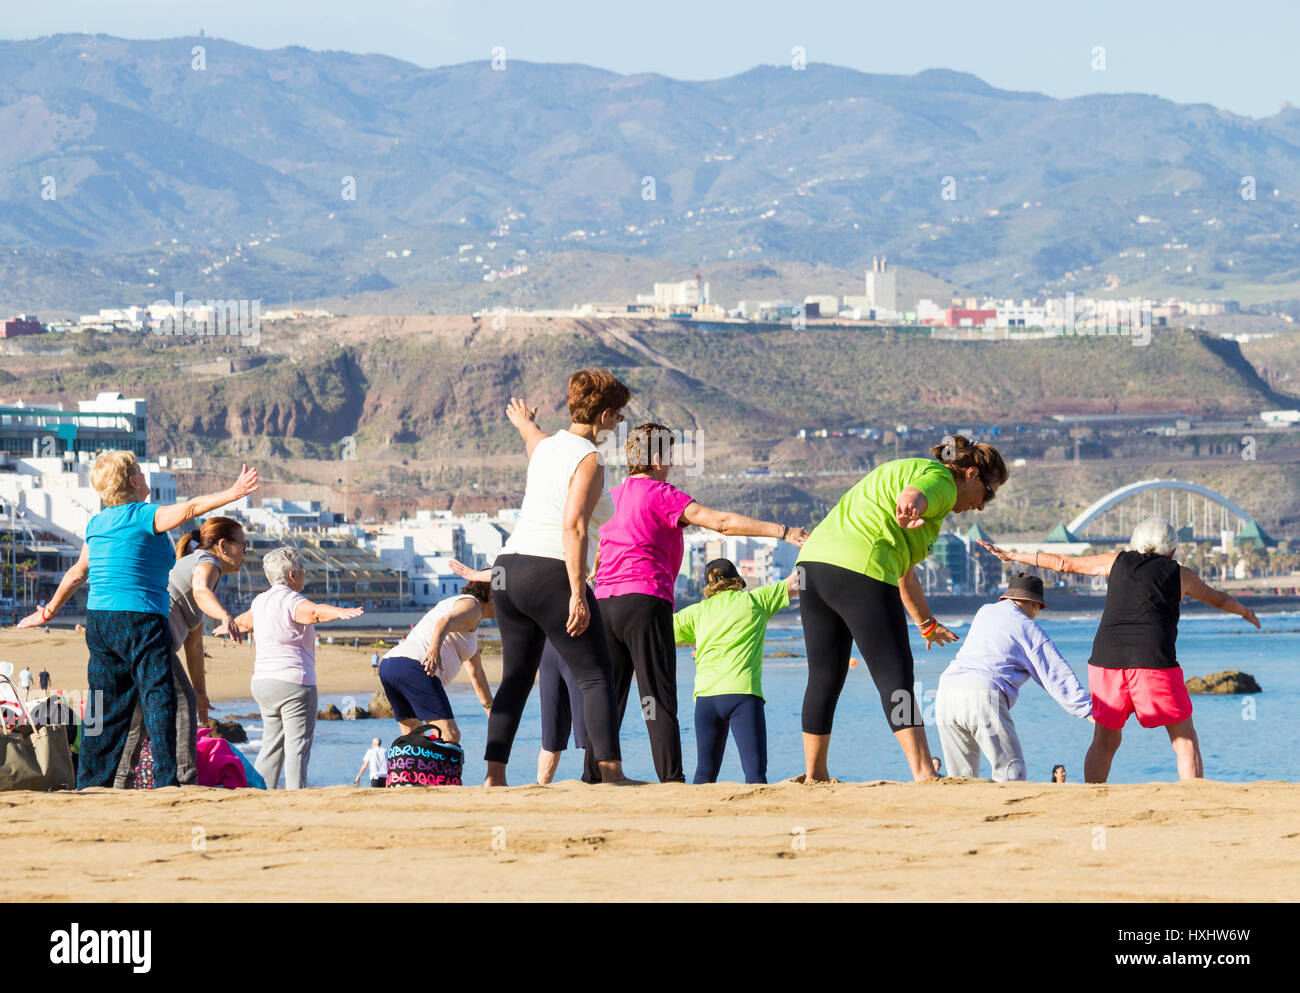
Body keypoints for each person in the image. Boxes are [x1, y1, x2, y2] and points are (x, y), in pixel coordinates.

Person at [495, 413, 809, 784]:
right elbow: (721, 523)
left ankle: (594, 778)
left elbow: (590, 542)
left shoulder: (608, 496)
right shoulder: (665, 496)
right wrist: (782, 531)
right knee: (657, 699)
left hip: (605, 603)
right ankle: (671, 780)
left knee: (606, 694)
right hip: (644, 601)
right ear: (658, 459)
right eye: (670, 454)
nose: (673, 462)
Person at [17, 452, 258, 788]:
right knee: (159, 696)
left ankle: (91, 781)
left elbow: (76, 574)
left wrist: (47, 612)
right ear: (132, 481)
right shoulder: (145, 515)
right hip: (141, 618)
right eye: (142, 474)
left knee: (105, 704)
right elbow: (191, 509)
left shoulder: (97, 524)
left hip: (100, 623)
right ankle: (166, 780)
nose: (146, 479)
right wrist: (232, 493)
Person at [979, 517, 1261, 782]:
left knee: (1106, 740)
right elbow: (1219, 599)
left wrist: (1014, 556)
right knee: (1184, 740)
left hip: (1105, 662)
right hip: (1154, 661)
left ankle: (1093, 798)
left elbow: (1063, 563)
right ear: (1173, 549)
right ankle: (1193, 800)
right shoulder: (1180, 575)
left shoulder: (1115, 562)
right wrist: (1244, 611)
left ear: (1136, 542)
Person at [796, 435, 1007, 782]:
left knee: (824, 675)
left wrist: (926, 623)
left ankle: (815, 775)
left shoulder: (903, 469)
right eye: (988, 492)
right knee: (896, 678)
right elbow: (918, 493)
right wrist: (912, 504)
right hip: (860, 568)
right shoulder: (940, 479)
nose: (983, 505)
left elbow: (905, 575)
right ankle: (925, 772)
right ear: (969, 474)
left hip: (813, 568)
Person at [481, 371, 633, 786]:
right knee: (596, 674)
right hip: (550, 569)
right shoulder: (589, 459)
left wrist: (524, 423)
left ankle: (494, 776)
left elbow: (533, 437)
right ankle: (611, 774)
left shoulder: (547, 446)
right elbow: (575, 527)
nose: (619, 422)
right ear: (602, 415)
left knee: (515, 678)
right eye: (618, 415)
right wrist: (577, 593)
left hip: (507, 570)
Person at [115, 516, 250, 788]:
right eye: (243, 545)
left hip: (140, 637)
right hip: (151, 638)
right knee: (181, 704)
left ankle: (121, 782)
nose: (246, 552)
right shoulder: (207, 562)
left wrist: (201, 692)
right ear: (223, 546)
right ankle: (187, 780)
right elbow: (200, 591)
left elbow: (195, 645)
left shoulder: (196, 567)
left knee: (141, 715)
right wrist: (225, 616)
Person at [222, 547, 363, 789]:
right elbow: (315, 613)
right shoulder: (292, 600)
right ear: (292, 575)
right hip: (294, 683)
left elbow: (244, 621)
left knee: (272, 744)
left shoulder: (260, 601)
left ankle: (256, 792)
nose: (304, 575)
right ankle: (296, 795)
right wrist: (340, 612)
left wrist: (228, 626)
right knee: (297, 745)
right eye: (302, 571)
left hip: (263, 683)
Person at [934, 573, 1092, 781]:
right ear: (1035, 604)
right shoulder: (1026, 626)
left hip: (946, 691)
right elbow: (1054, 672)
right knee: (1011, 773)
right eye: (1038, 609)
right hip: (982, 694)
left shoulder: (984, 612)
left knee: (961, 779)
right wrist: (1087, 710)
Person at [672, 559, 800, 784]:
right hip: (742, 695)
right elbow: (798, 582)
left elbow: (659, 627)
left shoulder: (697, 612)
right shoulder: (754, 600)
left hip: (705, 699)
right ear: (737, 580)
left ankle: (695, 817)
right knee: (755, 775)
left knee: (704, 773)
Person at [378, 582, 495, 743]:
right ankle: (442, 769)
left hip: (390, 665)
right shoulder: (472, 605)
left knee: (413, 736)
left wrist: (491, 710)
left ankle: (412, 769)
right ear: (490, 594)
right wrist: (434, 650)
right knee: (449, 735)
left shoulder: (468, 617)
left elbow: (477, 673)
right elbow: (445, 622)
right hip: (414, 665)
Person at [537, 640, 586, 784]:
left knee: (550, 741)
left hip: (548, 648)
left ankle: (540, 792)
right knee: (593, 737)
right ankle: (596, 790)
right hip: (578, 649)